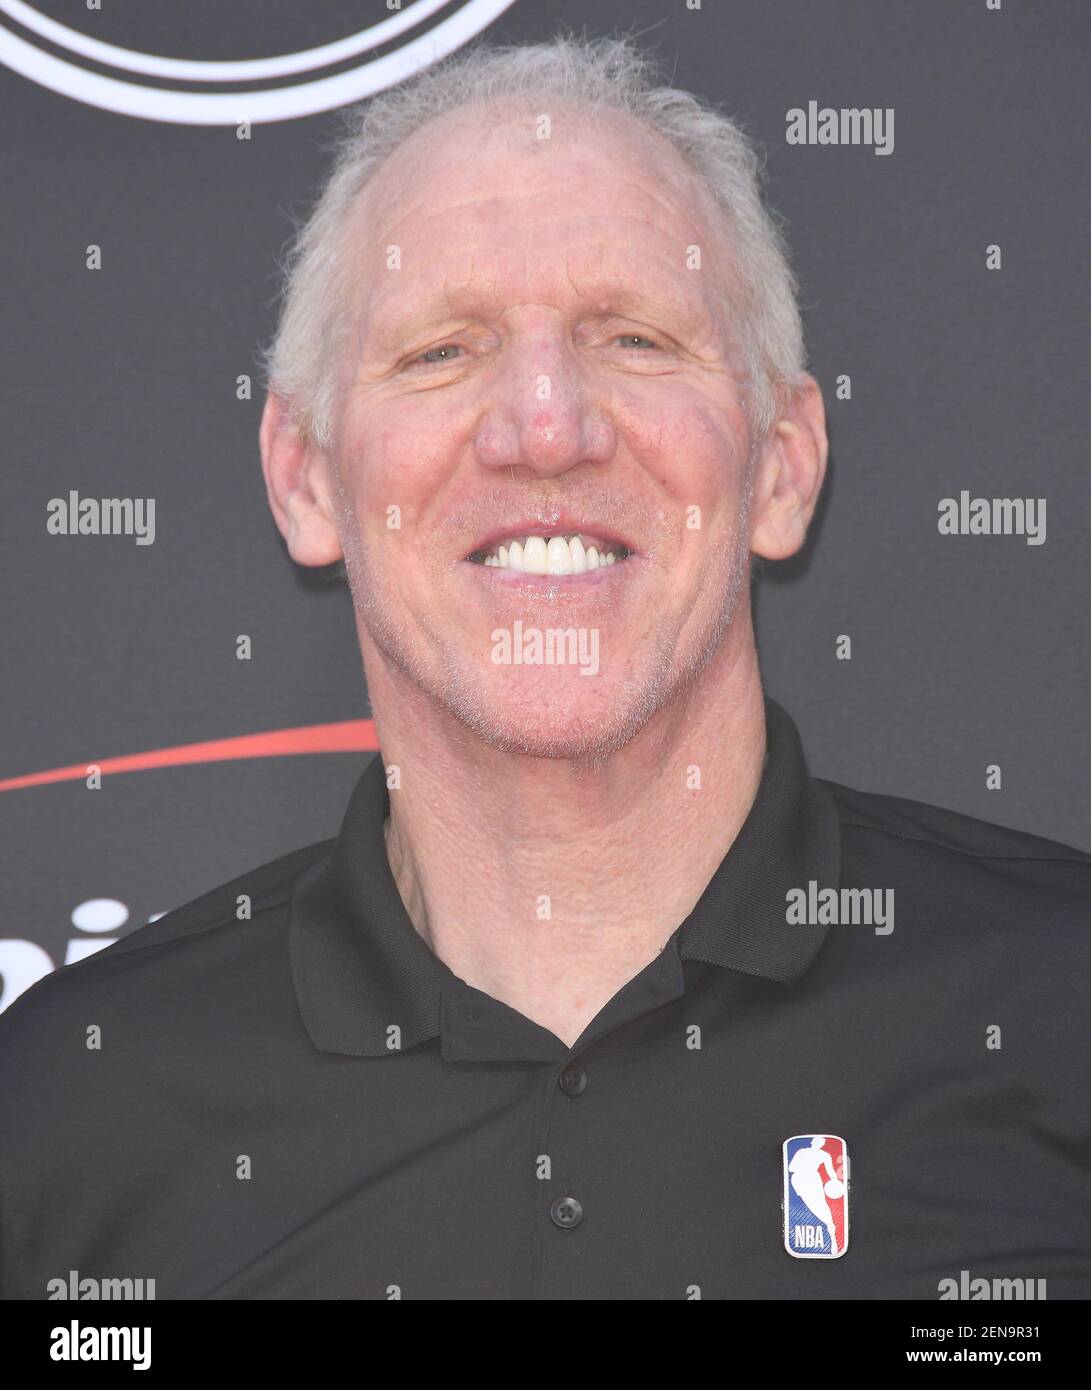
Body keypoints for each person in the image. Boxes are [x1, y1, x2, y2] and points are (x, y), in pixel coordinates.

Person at [2, 34, 1088, 1301]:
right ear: (305, 480)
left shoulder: (1057, 1009)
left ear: (781, 465)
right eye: (440, 350)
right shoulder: (75, 1110)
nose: (544, 427)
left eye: (630, 337)